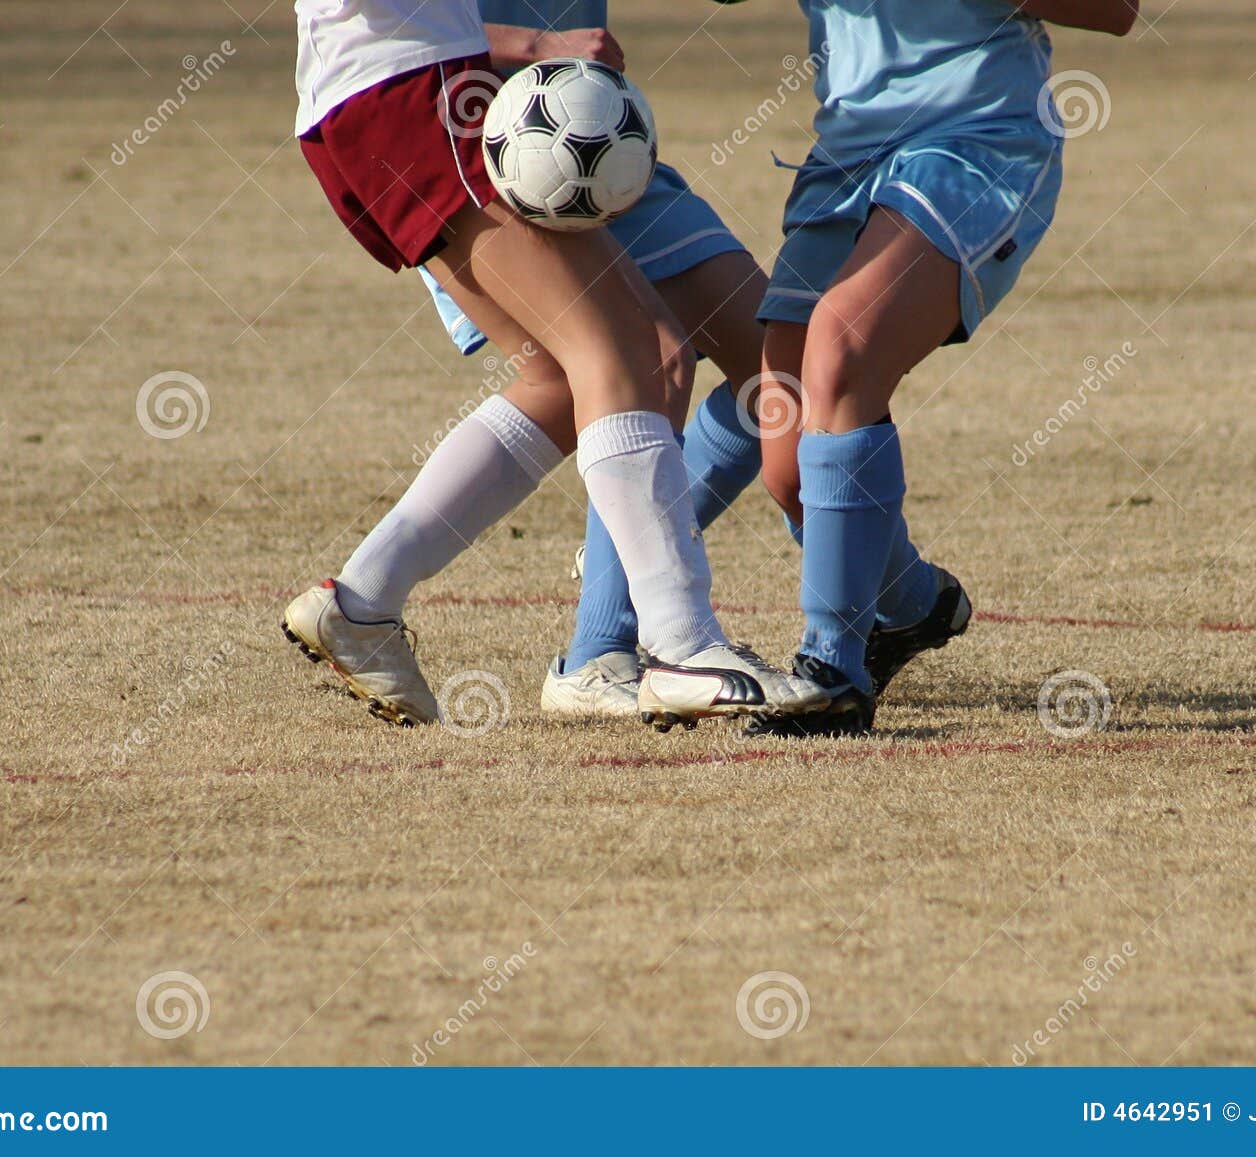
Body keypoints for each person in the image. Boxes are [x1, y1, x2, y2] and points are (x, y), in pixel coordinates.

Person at [281, 0, 827, 728]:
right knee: (625, 350)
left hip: (383, 95)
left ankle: (362, 602)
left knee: (569, 375)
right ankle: (683, 646)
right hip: (407, 90)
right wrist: (534, 42)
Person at [747, 0, 1140, 736]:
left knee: (844, 342)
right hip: (847, 157)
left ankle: (832, 673)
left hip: (975, 138)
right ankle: (912, 604)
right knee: (788, 463)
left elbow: (1117, 10)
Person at [416, 0, 781, 718]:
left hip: (601, 140)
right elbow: (383, 31)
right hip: (501, 143)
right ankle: (599, 650)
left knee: (777, 365)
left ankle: (894, 595)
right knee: (651, 358)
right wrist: (535, 43)